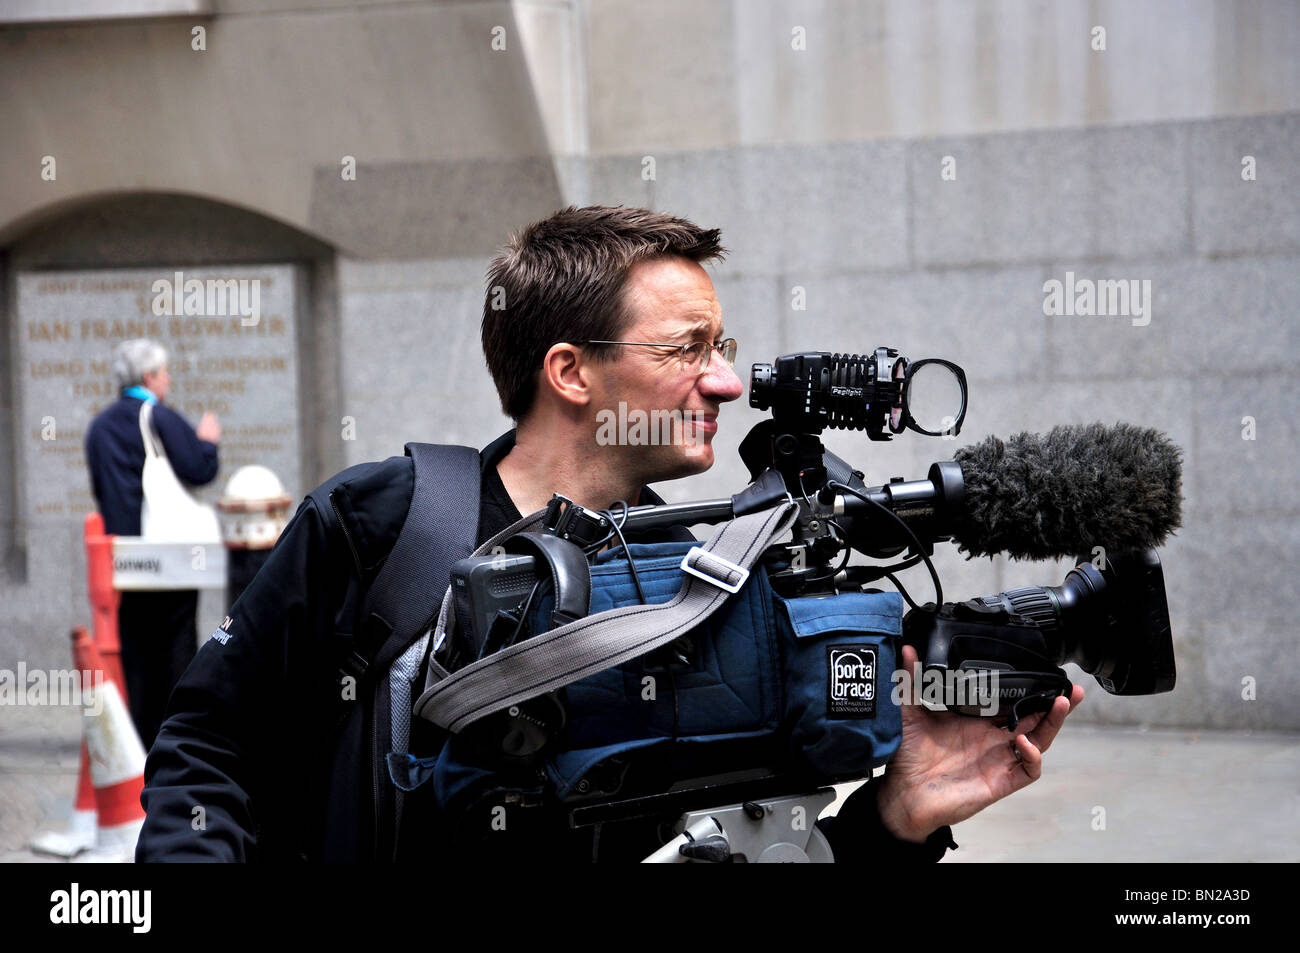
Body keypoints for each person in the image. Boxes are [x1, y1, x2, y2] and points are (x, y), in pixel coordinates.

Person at [137, 206, 1083, 862]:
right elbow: (209, 741)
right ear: (571, 372)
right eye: (687, 349)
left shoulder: (726, 572)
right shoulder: (389, 524)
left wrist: (898, 820)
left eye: (725, 349)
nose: (723, 382)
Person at [85, 338, 222, 750]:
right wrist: (208, 440)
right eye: (164, 373)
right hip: (167, 557)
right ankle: (177, 735)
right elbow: (199, 469)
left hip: (124, 560)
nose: (168, 380)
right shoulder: (158, 416)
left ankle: (138, 739)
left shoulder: (99, 427)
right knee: (176, 645)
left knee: (136, 650)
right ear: (148, 377)